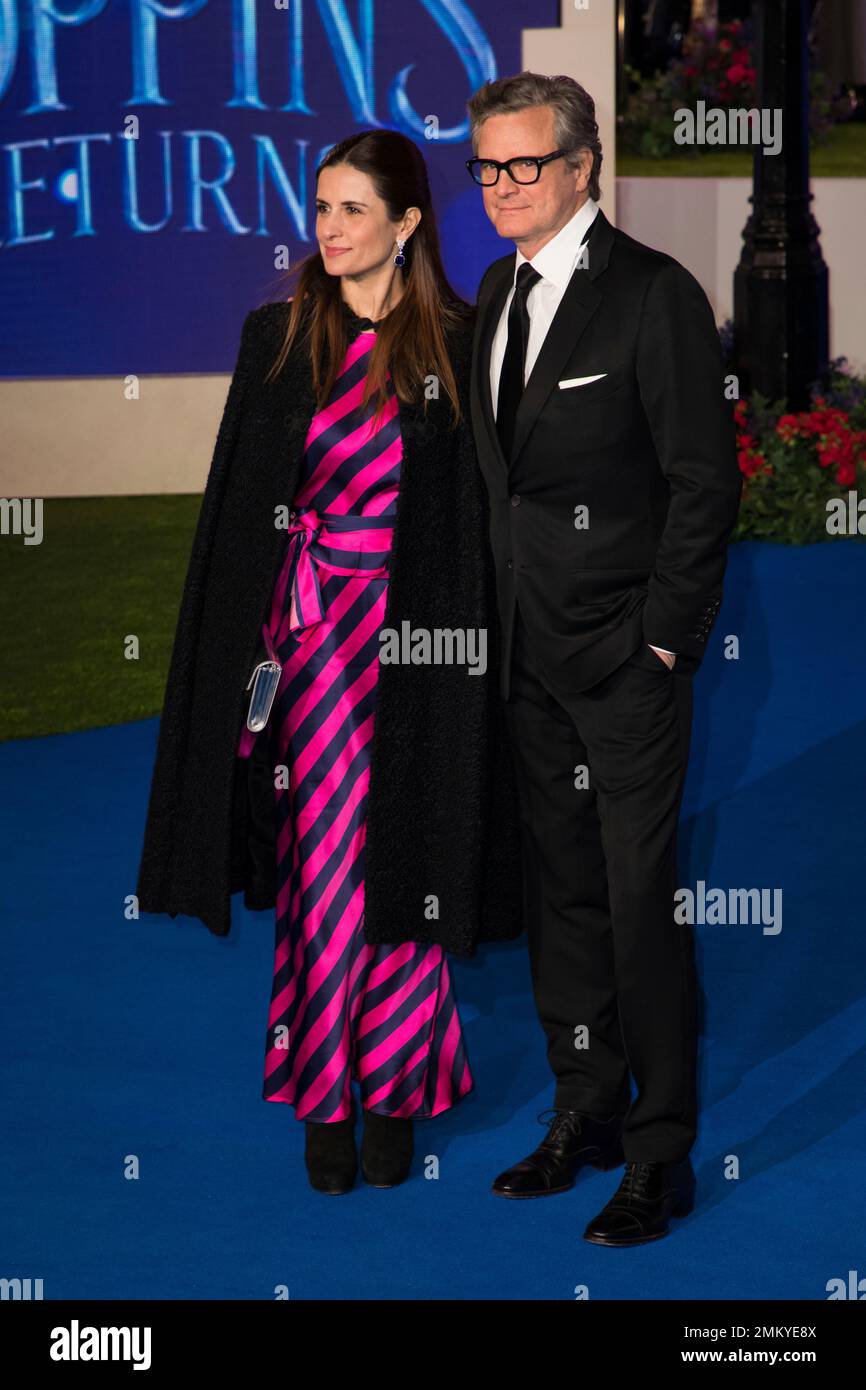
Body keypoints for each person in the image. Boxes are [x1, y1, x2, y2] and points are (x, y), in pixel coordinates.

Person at [135, 129, 523, 1197]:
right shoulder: (276, 338)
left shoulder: (454, 338)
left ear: (406, 224)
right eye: (321, 209)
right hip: (308, 647)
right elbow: (238, 520)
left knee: (410, 852)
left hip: (417, 648)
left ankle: (394, 1087)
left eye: (354, 211)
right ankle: (321, 1089)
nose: (331, 231)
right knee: (322, 869)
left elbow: (480, 516)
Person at [465, 72, 742, 1245]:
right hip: (524, 656)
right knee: (562, 897)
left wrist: (664, 638)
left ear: (580, 167)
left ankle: (659, 1149)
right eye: (484, 168)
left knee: (636, 902)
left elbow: (700, 482)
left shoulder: (652, 295)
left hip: (626, 662)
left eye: (523, 165)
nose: (500, 188)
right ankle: (581, 1107)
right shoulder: (491, 290)